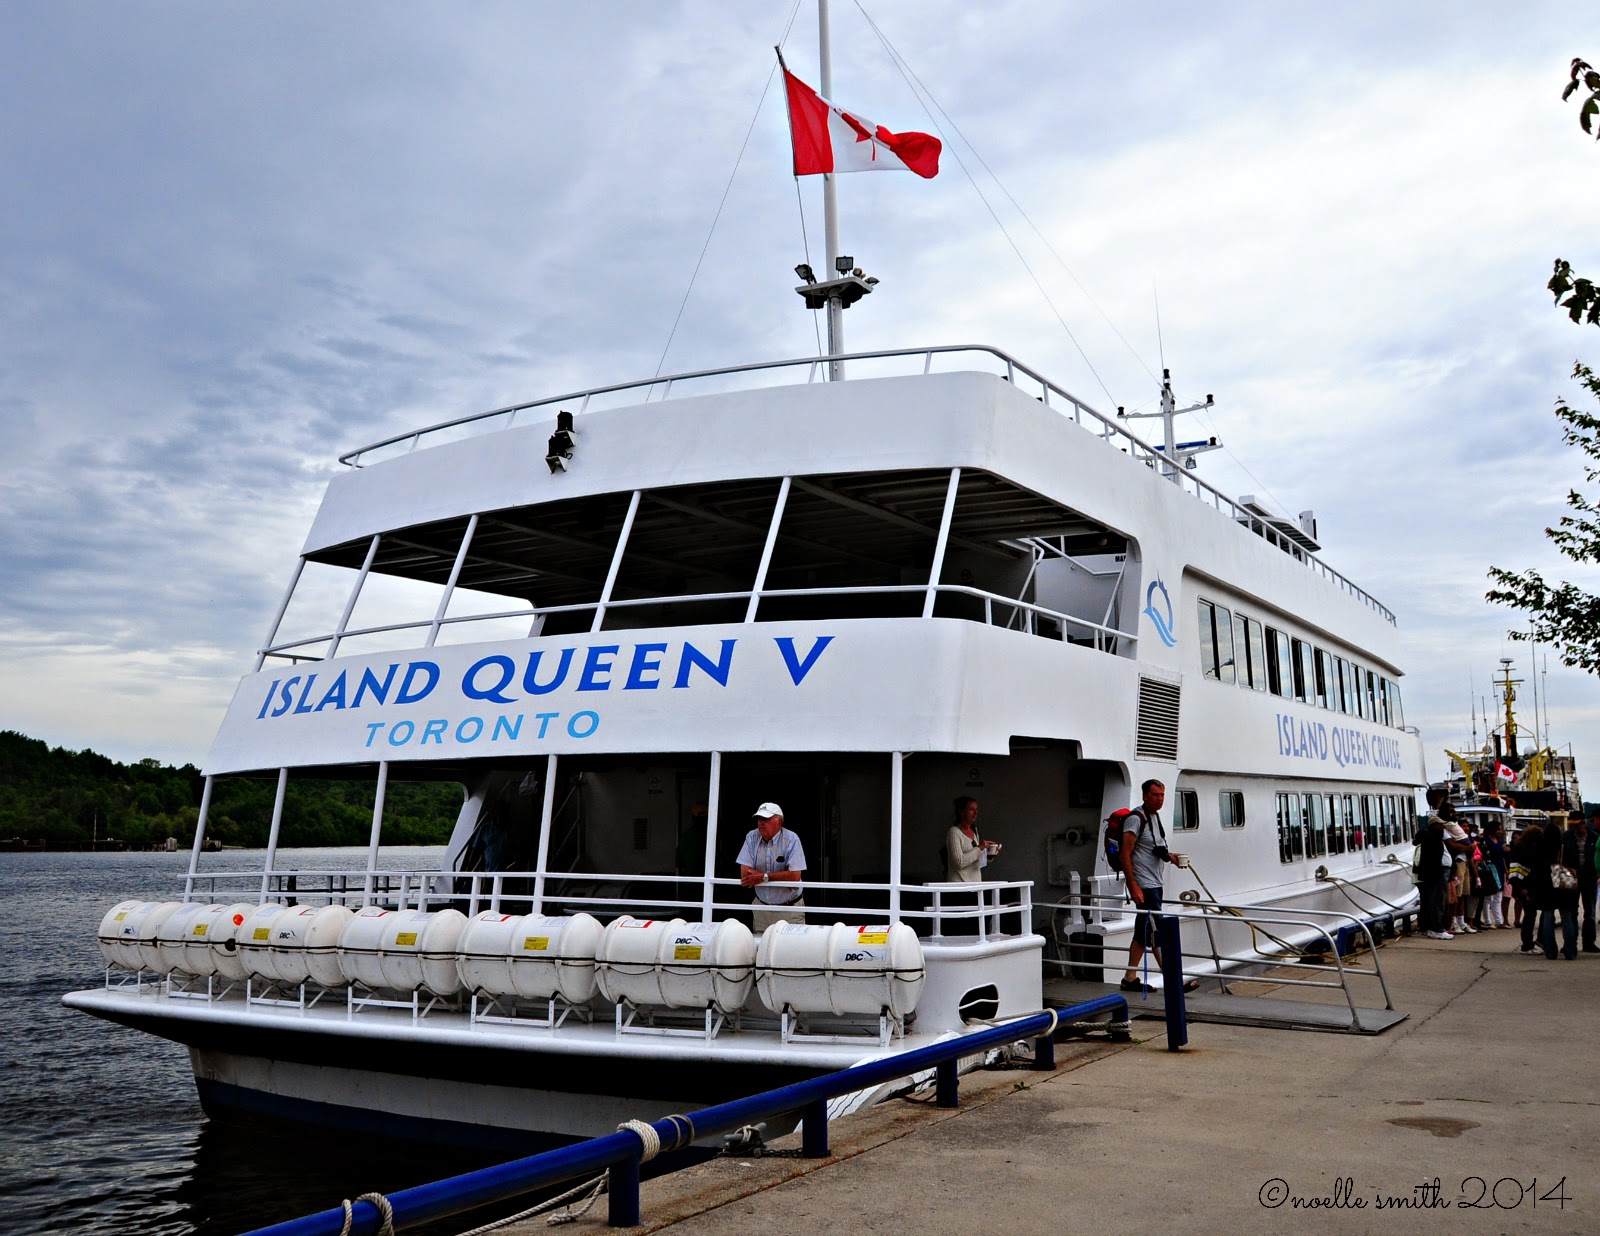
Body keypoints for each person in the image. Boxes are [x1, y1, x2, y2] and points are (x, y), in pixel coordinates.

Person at [1118, 779, 1198, 993]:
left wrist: (1171, 857)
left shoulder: (1153, 817)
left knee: (1142, 933)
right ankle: (1173, 980)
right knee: (1157, 932)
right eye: (1155, 795)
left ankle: (1130, 977)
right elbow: (1125, 854)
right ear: (1145, 796)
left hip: (1154, 883)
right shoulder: (1136, 819)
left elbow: (1153, 848)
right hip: (1145, 886)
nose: (1160, 799)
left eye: (1162, 795)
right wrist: (1133, 885)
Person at [736, 802, 806, 932]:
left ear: (779, 822)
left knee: (792, 950)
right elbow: (745, 875)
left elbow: (795, 877)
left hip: (789, 910)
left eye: (766, 819)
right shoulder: (751, 837)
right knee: (762, 949)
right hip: (762, 909)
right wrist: (782, 876)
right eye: (759, 818)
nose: (761, 823)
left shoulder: (791, 839)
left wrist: (763, 877)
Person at [1542, 812, 1581, 960]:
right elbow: (1575, 865)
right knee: (1567, 918)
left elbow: (1537, 870)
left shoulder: (1542, 850)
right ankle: (1570, 951)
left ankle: (1550, 951)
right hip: (1564, 886)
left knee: (1547, 917)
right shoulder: (1566, 848)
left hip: (1547, 886)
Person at [1509, 819, 1546, 954]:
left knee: (1529, 914)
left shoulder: (1518, 848)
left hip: (1521, 884)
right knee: (1532, 915)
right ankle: (1528, 945)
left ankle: (1528, 943)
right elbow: (1532, 869)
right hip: (1528, 885)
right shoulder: (1531, 851)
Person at [1416, 810, 1453, 940]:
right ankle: (1436, 928)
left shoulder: (1434, 837)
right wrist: (1437, 873)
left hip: (1438, 872)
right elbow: (1433, 859)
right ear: (1434, 825)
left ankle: (1430, 927)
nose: (1443, 827)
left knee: (1434, 900)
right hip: (1437, 873)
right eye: (1441, 825)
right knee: (1438, 900)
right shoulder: (1433, 838)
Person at [945, 796, 1000, 882]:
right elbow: (959, 862)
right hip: (959, 887)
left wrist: (989, 855)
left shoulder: (974, 831)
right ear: (961, 812)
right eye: (971, 809)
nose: (975, 813)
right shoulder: (954, 832)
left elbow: (975, 860)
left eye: (976, 809)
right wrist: (979, 847)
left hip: (975, 885)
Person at [1579, 812, 1599, 953]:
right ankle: (1570, 941)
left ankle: (1588, 942)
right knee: (1571, 912)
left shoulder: (1594, 836)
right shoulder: (1567, 837)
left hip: (1590, 877)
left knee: (1590, 911)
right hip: (1572, 877)